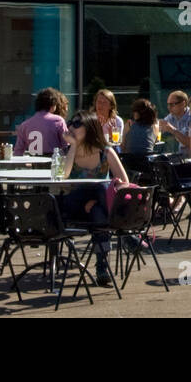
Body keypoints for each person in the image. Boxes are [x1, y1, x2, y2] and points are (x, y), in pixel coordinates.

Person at [59, 113, 129, 286]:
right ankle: (126, 235)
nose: (72, 127)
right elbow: (64, 178)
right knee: (99, 187)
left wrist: (97, 202)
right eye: (71, 124)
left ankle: (102, 267)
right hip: (72, 204)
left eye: (77, 124)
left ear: (89, 128)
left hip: (97, 208)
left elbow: (125, 183)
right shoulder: (67, 152)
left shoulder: (106, 151)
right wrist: (73, 146)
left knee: (99, 213)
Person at [13, 87, 71, 156]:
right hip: (52, 162)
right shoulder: (58, 120)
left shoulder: (24, 125)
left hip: (34, 163)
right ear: (53, 105)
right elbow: (66, 146)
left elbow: (18, 151)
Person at [158, 90, 191, 155]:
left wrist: (172, 130)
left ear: (183, 103)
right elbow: (159, 129)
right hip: (180, 156)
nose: (169, 107)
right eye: (168, 104)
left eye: (172, 104)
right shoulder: (171, 116)